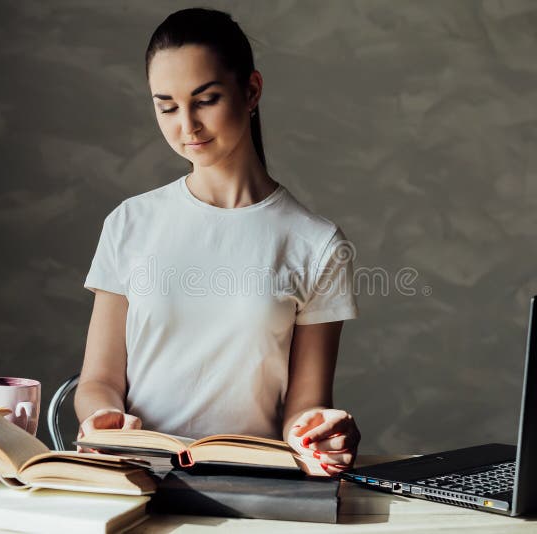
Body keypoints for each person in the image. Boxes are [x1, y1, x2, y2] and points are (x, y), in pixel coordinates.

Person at [74, 7, 360, 476]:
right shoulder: (131, 222)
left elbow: (303, 409)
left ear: (251, 92)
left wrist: (317, 434)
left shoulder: (316, 243)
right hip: (137, 477)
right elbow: (99, 381)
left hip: (250, 484)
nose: (186, 126)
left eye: (204, 100)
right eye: (166, 106)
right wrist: (103, 417)